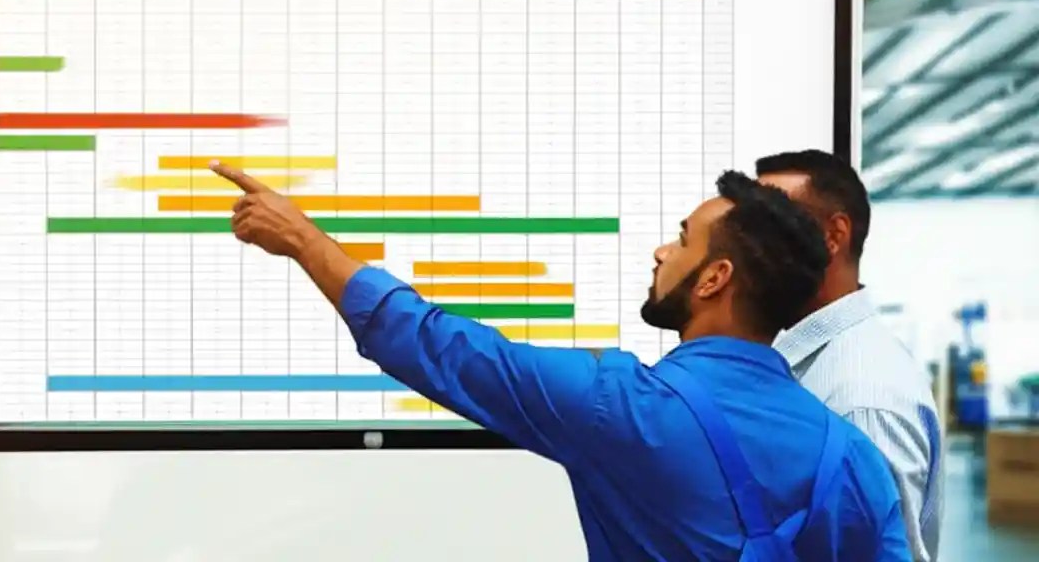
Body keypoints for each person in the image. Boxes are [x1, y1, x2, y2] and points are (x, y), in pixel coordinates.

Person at [210, 162, 910, 561]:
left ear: (714, 279)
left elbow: (437, 344)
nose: (662, 252)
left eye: (682, 240)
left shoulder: (625, 407)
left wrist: (304, 240)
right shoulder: (850, 456)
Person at [757, 150, 942, 562]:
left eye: (768, 224)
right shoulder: (806, 367)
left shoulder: (860, 400)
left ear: (833, 235)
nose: (747, 246)